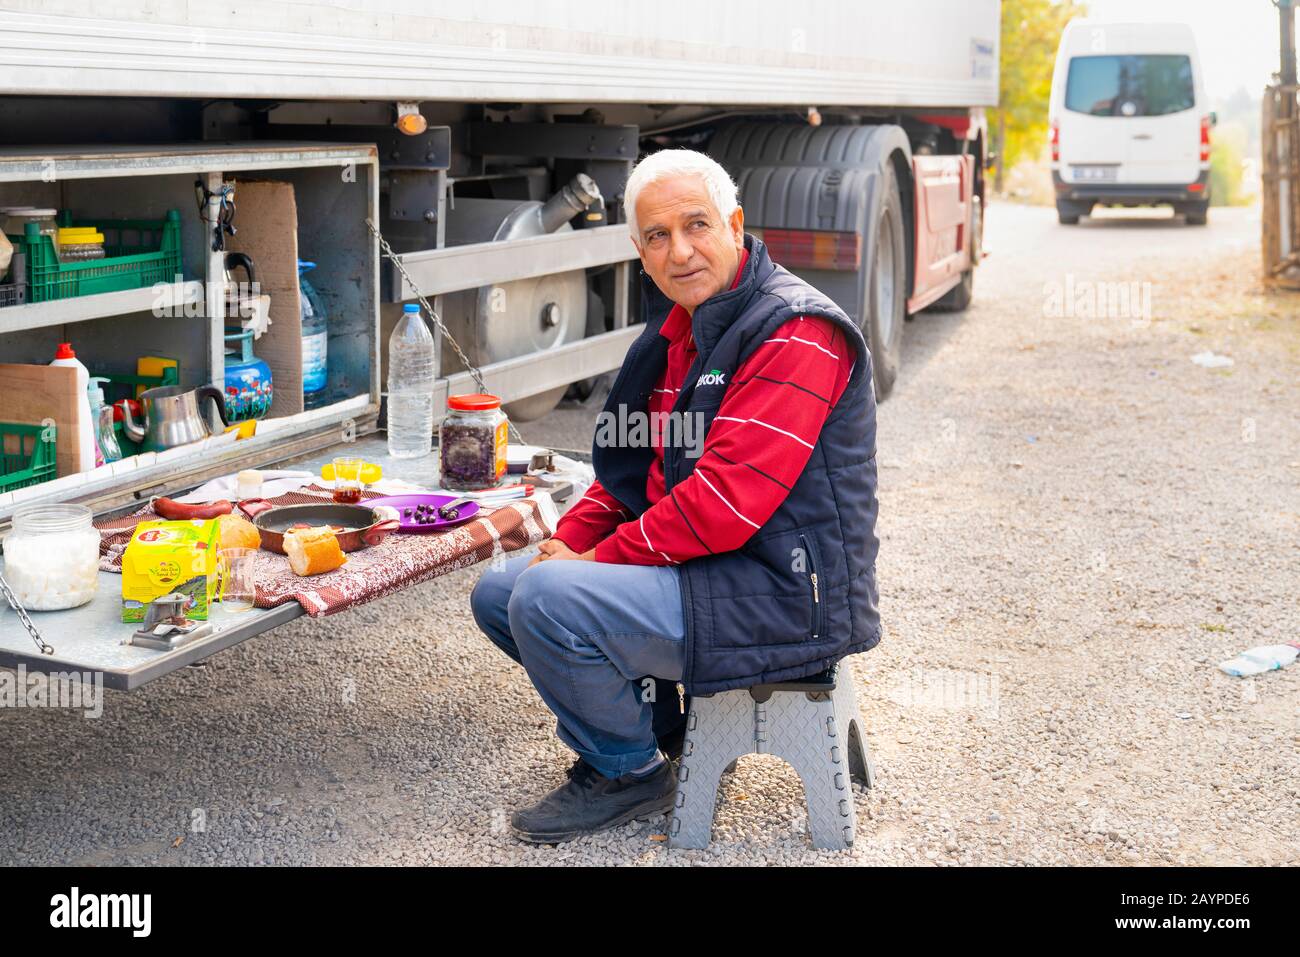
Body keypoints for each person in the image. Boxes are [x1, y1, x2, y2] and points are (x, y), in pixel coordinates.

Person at [470, 148, 881, 844]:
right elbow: (635, 476)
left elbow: (721, 505)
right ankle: (666, 732)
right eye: (657, 236)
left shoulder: (796, 332)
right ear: (639, 250)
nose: (680, 250)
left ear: (736, 223)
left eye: (696, 225)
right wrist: (572, 538)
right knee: (502, 590)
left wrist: (593, 563)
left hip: (785, 595)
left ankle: (629, 774)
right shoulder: (684, 332)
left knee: (547, 599)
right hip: (715, 573)